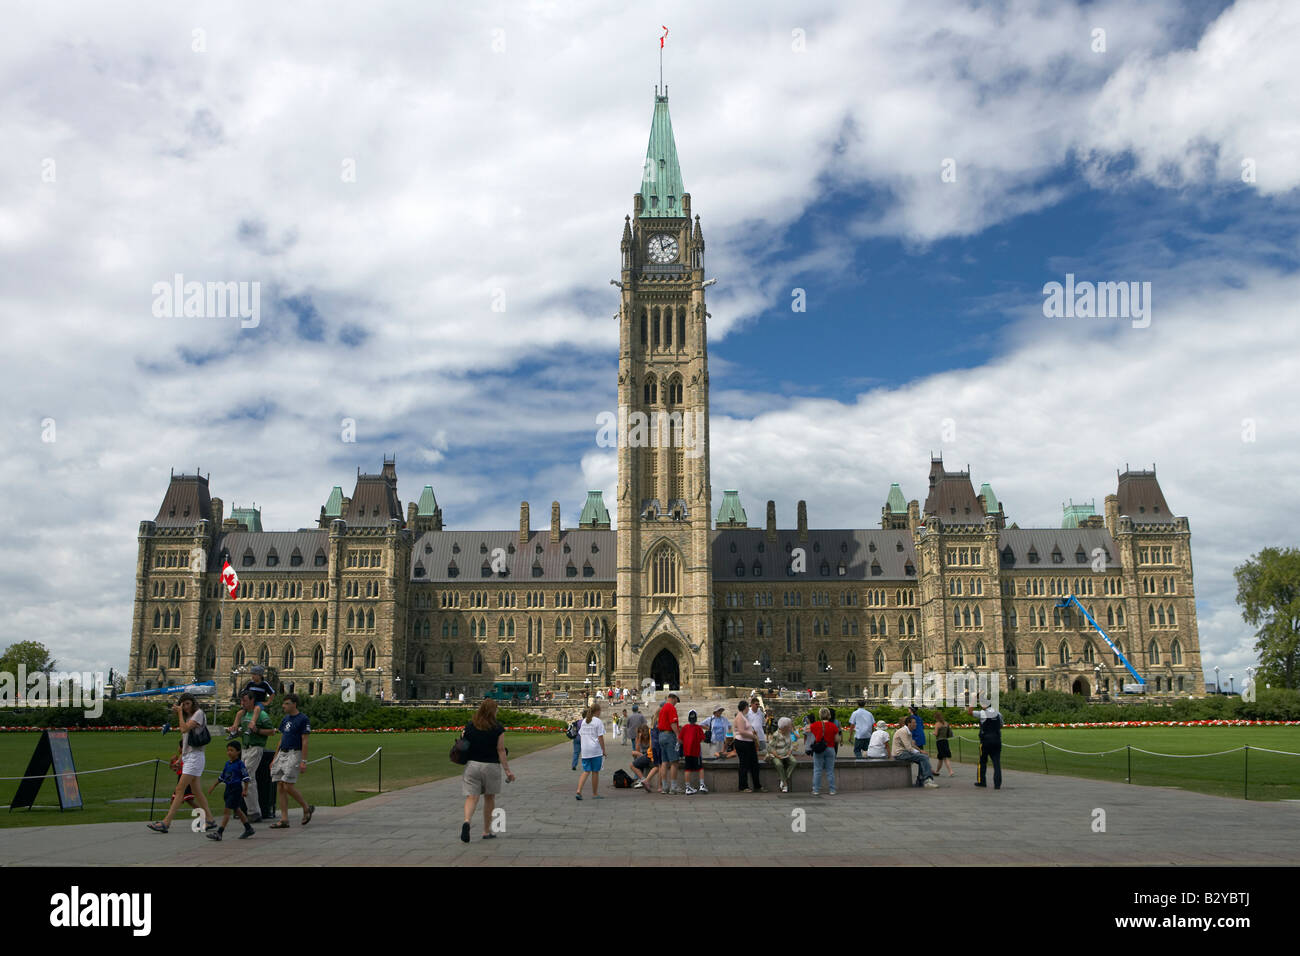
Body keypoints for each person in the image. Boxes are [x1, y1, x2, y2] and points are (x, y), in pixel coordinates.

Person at [148, 693, 216, 832]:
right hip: (190, 756)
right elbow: (186, 743)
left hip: (195, 757)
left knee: (180, 790)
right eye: (183, 704)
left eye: (187, 704)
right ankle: (210, 819)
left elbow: (184, 729)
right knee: (197, 791)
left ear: (193, 703)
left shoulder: (198, 714)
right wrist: (180, 759)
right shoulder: (190, 716)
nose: (185, 707)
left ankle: (166, 822)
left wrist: (179, 713)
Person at [460, 698, 515, 841]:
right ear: (493, 711)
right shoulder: (497, 728)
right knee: (489, 797)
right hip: (490, 766)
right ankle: (486, 831)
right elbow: (501, 750)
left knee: (472, 797)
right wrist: (507, 770)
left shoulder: (471, 726)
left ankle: (467, 821)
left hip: (472, 765)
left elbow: (463, 742)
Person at [269, 693, 315, 828]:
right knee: (280, 785)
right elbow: (281, 738)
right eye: (283, 704)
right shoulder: (285, 719)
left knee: (287, 784)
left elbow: (305, 741)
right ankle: (284, 819)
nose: (284, 706)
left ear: (294, 704)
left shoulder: (303, 719)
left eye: (287, 703)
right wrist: (274, 758)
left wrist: (303, 761)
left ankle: (306, 807)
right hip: (282, 753)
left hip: (294, 753)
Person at [235, 691, 274, 822]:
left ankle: (254, 812)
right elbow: (245, 732)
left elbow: (271, 731)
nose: (242, 703)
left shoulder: (261, 715)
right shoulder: (245, 715)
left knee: (248, 778)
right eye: (241, 701)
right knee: (246, 779)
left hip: (256, 748)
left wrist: (257, 730)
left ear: (252, 701)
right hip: (245, 748)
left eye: (245, 701)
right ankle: (251, 810)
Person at [205, 740, 255, 840]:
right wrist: (213, 787)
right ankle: (248, 828)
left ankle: (219, 833)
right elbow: (221, 777)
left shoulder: (240, 764)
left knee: (227, 811)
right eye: (228, 750)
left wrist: (245, 790)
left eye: (232, 750)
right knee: (237, 810)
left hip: (235, 789)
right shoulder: (227, 764)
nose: (229, 752)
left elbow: (246, 778)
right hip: (228, 789)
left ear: (238, 752)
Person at [227, 664, 275, 740]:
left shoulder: (264, 684)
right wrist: (243, 702)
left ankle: (251, 725)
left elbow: (272, 693)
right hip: (250, 704)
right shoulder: (250, 684)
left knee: (257, 709)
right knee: (239, 713)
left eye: (254, 674)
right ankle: (234, 730)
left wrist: (267, 703)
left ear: (260, 675)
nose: (252, 676)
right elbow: (244, 693)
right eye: (252, 674)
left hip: (259, 703)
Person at [893, 716, 938, 788]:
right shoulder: (903, 731)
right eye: (914, 723)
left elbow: (912, 744)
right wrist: (919, 753)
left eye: (915, 722)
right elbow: (908, 747)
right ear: (909, 724)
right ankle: (927, 780)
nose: (916, 724)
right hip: (900, 754)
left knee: (922, 758)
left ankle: (920, 781)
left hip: (905, 753)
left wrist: (921, 751)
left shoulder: (908, 731)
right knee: (923, 758)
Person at [968, 702, 1004, 790]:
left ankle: (982, 781)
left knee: (982, 761)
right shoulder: (998, 714)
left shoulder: (982, 713)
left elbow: (970, 712)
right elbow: (1001, 725)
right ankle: (997, 784)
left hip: (986, 741)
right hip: (996, 740)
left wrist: (973, 701)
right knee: (996, 762)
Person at [575, 702, 606, 800]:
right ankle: (595, 793)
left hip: (585, 750)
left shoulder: (584, 721)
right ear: (597, 711)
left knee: (586, 771)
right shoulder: (598, 721)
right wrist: (603, 750)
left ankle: (579, 790)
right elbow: (600, 737)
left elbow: (581, 735)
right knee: (595, 771)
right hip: (595, 750)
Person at [732, 699, 764, 792]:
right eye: (747, 707)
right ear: (745, 707)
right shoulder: (740, 717)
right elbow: (741, 732)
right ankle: (743, 786)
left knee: (754, 764)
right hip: (742, 743)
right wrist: (753, 736)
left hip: (748, 743)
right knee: (744, 765)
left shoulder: (743, 716)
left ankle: (757, 785)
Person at [807, 707, 839, 796]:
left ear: (820, 715)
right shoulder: (833, 726)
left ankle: (816, 790)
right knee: (830, 770)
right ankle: (832, 790)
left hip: (818, 748)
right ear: (829, 715)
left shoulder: (814, 725)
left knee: (817, 770)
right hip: (830, 748)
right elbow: (837, 739)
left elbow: (809, 733)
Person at [657, 693, 682, 795]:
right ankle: (673, 787)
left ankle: (664, 787)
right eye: (676, 701)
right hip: (669, 735)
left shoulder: (662, 708)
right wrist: (678, 735)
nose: (676, 703)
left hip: (661, 735)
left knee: (664, 762)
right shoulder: (671, 708)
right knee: (674, 762)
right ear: (673, 698)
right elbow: (673, 723)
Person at [766, 716, 799, 793]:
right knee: (779, 764)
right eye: (789, 726)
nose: (790, 727)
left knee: (794, 762)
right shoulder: (776, 735)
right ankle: (785, 784)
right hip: (776, 754)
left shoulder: (788, 733)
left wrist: (789, 751)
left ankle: (783, 779)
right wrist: (778, 756)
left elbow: (791, 744)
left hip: (786, 753)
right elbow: (770, 748)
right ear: (784, 727)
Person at [679, 709, 708, 794]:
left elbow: (680, 739)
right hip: (696, 752)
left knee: (687, 769)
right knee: (700, 768)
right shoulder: (698, 728)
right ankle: (702, 785)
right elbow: (702, 738)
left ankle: (688, 787)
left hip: (687, 752)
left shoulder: (684, 727)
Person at [630, 725, 659, 790]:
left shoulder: (651, 736)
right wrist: (639, 739)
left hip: (649, 755)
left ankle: (644, 781)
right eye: (640, 733)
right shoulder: (639, 738)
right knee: (633, 754)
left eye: (643, 733)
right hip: (643, 754)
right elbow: (637, 750)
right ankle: (643, 779)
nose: (643, 735)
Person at [934, 712, 956, 777]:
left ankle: (950, 771)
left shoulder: (937, 724)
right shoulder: (946, 723)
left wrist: (933, 733)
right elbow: (949, 733)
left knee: (943, 758)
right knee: (942, 758)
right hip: (945, 741)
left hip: (939, 742)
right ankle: (937, 771)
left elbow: (936, 733)